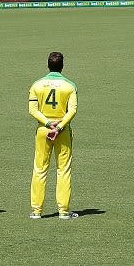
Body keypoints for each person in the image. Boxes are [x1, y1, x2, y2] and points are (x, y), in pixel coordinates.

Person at [29, 51, 78, 219]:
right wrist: (59, 126)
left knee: (40, 169)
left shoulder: (37, 85)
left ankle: (36, 211)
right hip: (62, 131)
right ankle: (63, 211)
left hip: (43, 130)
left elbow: (32, 110)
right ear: (62, 66)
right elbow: (72, 110)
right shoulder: (70, 86)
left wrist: (48, 124)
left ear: (48, 65)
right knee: (63, 170)